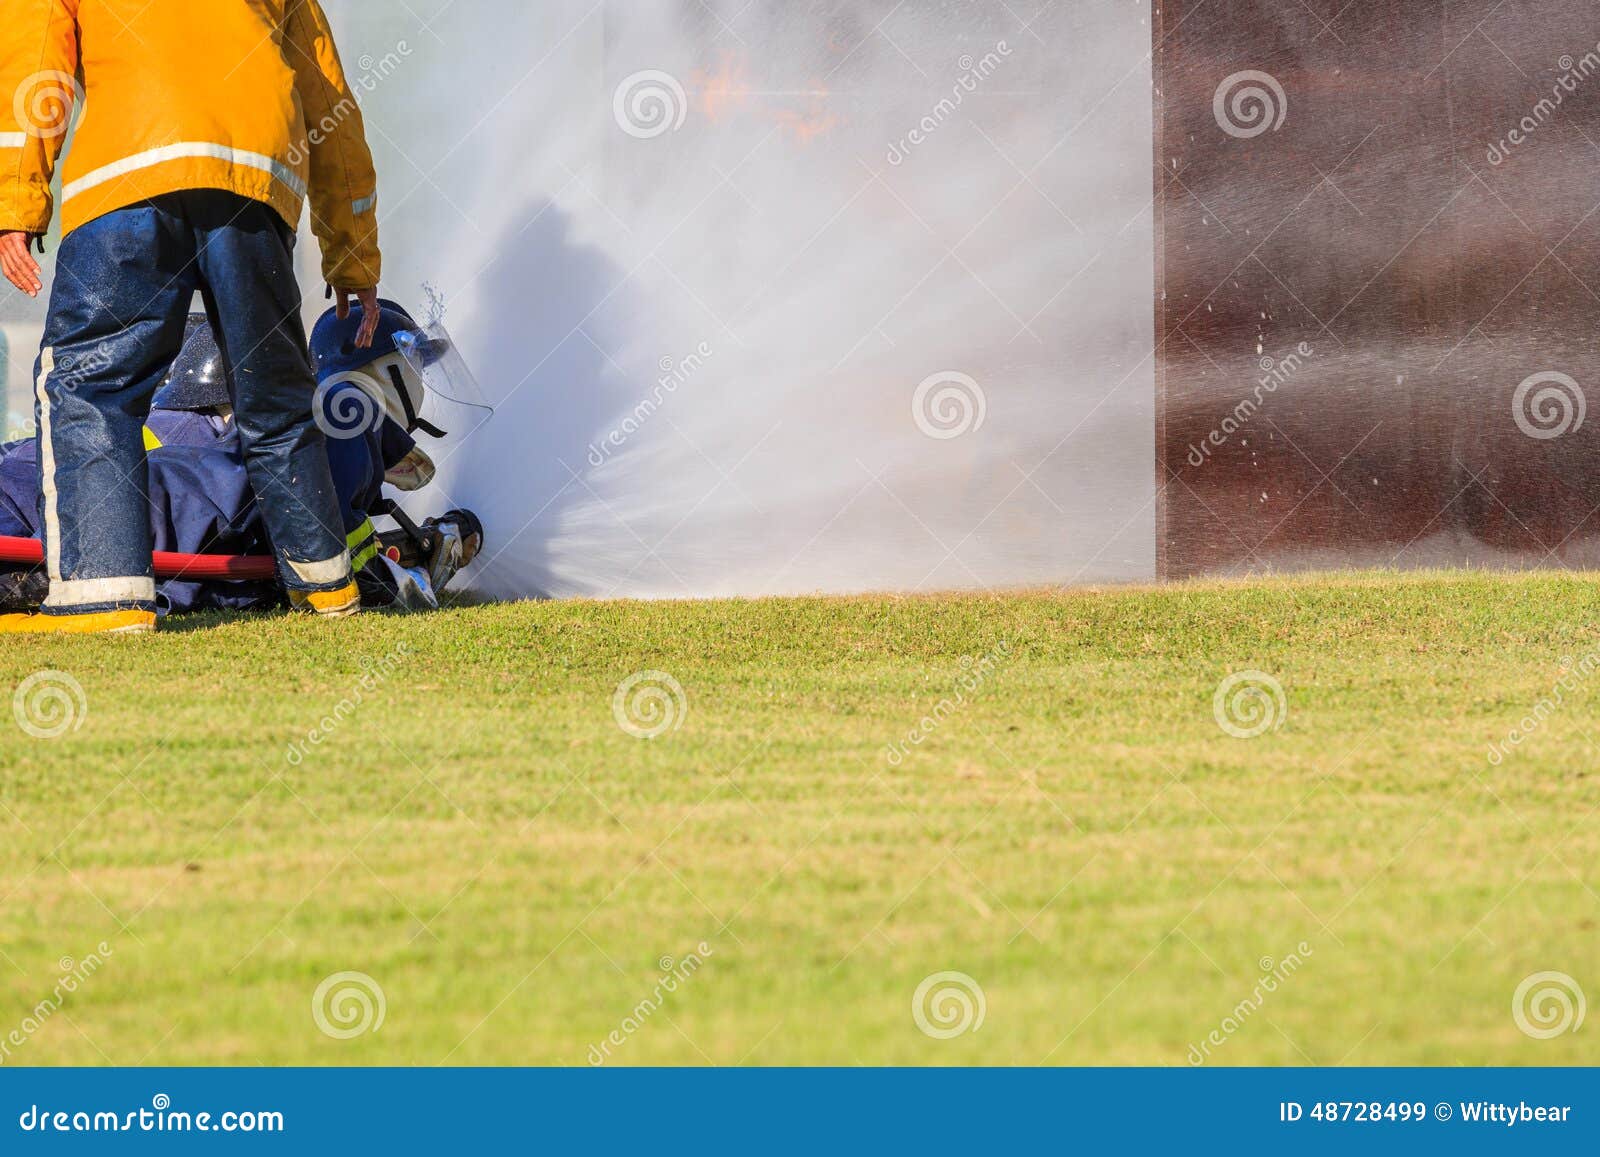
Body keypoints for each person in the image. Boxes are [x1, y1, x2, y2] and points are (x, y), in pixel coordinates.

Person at [0, 0, 385, 635]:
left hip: (129, 171)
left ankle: (105, 597)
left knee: (91, 385)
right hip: (256, 180)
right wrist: (353, 255)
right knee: (276, 396)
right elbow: (329, 104)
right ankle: (327, 592)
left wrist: (16, 201)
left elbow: (36, 66)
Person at [0, 312, 483, 615]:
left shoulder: (250, 449)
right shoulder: (340, 420)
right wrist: (392, 579)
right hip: (81, 529)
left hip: (86, 527)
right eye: (415, 365)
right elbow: (325, 539)